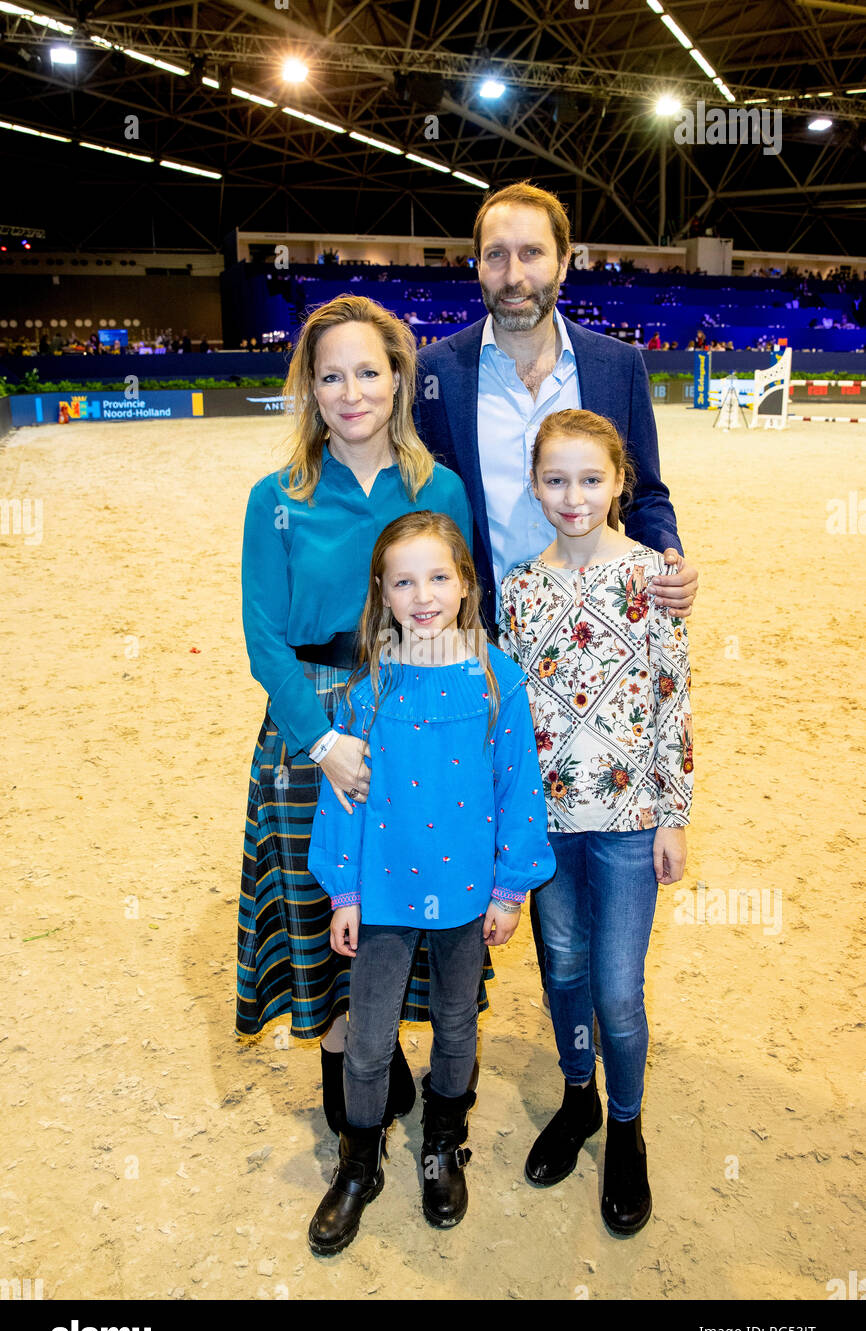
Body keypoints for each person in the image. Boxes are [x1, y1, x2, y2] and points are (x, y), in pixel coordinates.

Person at [414, 180, 697, 1009]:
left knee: (565, 837)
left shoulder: (617, 366)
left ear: (563, 263)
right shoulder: (436, 374)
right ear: (476, 267)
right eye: (495, 255)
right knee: (483, 834)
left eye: (531, 252)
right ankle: (461, 1024)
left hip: (590, 651)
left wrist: (672, 556)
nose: (513, 272)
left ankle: (584, 1032)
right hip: (481, 649)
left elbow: (645, 492)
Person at [237, 295, 483, 1136]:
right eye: (330, 375)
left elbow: (454, 610)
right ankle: (344, 1056)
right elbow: (264, 638)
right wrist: (325, 737)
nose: (351, 392)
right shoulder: (276, 497)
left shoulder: (439, 487)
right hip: (310, 725)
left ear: (398, 380)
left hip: (412, 714)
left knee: (404, 893)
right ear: (308, 387)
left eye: (368, 372)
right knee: (327, 909)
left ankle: (386, 1045)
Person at [306, 511, 556, 1254]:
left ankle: (444, 1142)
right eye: (404, 580)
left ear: (465, 584)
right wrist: (344, 893)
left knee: (455, 1024)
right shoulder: (369, 688)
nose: (423, 595)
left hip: (466, 896)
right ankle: (360, 1161)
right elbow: (343, 797)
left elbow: (520, 790)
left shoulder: (494, 678)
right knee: (370, 1038)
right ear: (381, 592)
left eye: (439, 577)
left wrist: (511, 890)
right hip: (381, 894)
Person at [498, 409, 693, 1235]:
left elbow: (673, 698)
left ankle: (626, 1126)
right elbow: (507, 721)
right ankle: (579, 1096)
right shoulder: (516, 586)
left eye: (590, 479)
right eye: (554, 479)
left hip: (627, 822)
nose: (572, 496)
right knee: (563, 971)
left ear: (619, 482)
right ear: (534, 485)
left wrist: (674, 815)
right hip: (548, 828)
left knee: (618, 987)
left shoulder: (653, 577)